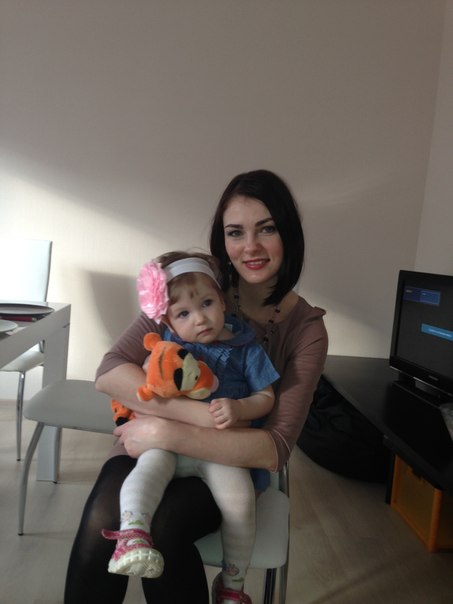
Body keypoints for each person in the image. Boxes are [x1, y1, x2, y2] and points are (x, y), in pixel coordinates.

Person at [64, 169, 328, 604]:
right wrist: (179, 422)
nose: (250, 247)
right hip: (149, 447)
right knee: (102, 521)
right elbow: (110, 372)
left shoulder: (306, 330)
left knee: (165, 529)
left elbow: (274, 448)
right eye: (235, 232)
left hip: (228, 463)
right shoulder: (191, 285)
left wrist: (164, 428)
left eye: (267, 229)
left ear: (290, 234)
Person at [101, 251, 279, 604]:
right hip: (169, 442)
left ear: (223, 302)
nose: (199, 318)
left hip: (222, 450)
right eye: (183, 313)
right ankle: (132, 535)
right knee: (148, 469)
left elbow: (266, 397)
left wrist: (240, 407)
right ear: (167, 321)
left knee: (241, 500)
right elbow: (141, 384)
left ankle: (232, 584)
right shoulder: (167, 347)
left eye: (207, 303)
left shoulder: (246, 348)